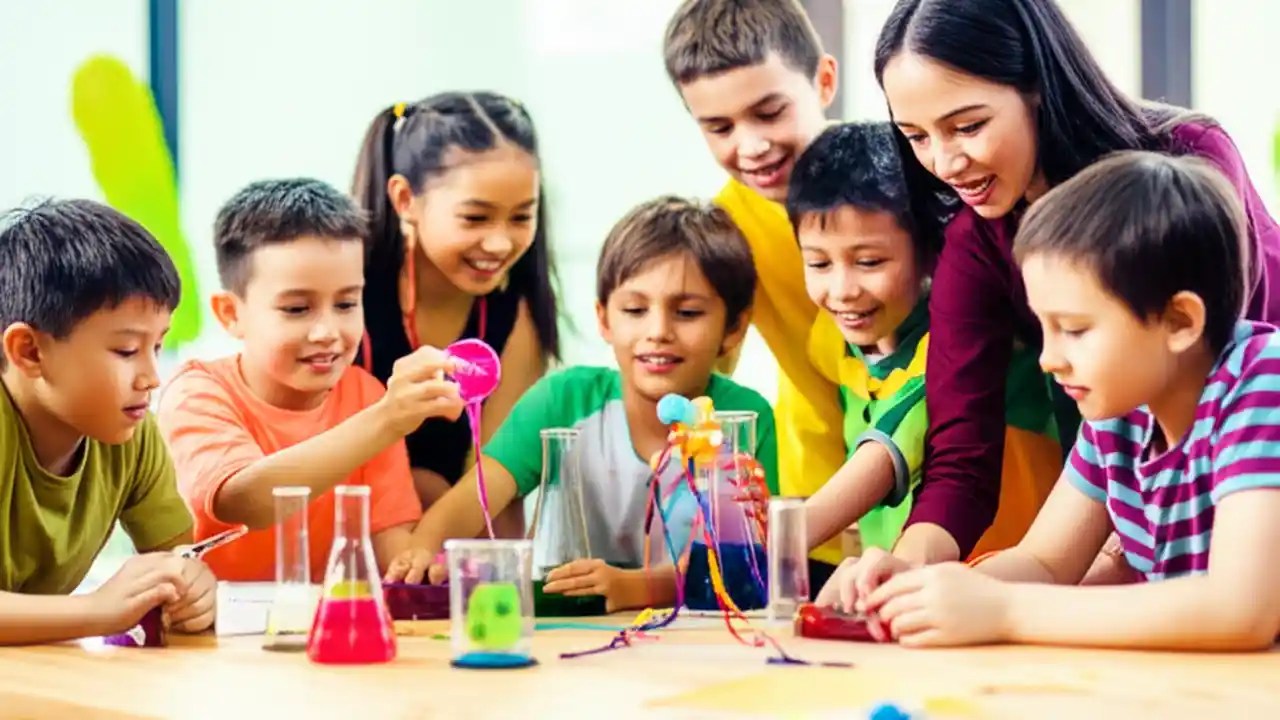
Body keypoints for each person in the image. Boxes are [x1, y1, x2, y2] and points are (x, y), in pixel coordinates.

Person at [833, 0, 1280, 591]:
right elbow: (964, 457)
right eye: (916, 136)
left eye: (967, 126)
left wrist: (1091, 571)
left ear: (1037, 86)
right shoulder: (1114, 419)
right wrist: (908, 572)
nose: (944, 162)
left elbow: (1217, 359)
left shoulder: (1183, 167)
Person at [836, 152, 1280, 651]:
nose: (1049, 359)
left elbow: (1242, 609)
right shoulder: (1124, 409)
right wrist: (917, 589)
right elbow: (1043, 563)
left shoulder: (1263, 379)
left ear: (1180, 322)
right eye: (1043, 328)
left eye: (1073, 329)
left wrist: (1003, 611)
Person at [384, 196, 778, 613]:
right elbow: (476, 496)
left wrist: (634, 588)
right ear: (605, 319)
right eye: (635, 310)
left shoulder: (743, 422)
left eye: (687, 312)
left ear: (733, 327)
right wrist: (423, 548)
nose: (658, 331)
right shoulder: (563, 400)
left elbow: (748, 563)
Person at [157, 179, 464, 581]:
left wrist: (438, 568)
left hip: (314, 627)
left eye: (346, 304)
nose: (327, 331)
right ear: (231, 314)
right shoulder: (198, 393)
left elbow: (392, 549)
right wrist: (388, 419)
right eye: (297, 308)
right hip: (206, 634)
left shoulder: (367, 397)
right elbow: (246, 502)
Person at [787, 122, 1058, 558]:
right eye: (818, 264)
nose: (842, 290)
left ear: (933, 252)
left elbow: (887, 447)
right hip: (909, 577)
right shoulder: (833, 340)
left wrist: (776, 540)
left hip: (1004, 573)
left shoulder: (959, 340)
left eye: (869, 261)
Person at [662, 0, 848, 588]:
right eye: (719, 127)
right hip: (815, 501)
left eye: (770, 112)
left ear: (823, 80)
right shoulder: (729, 228)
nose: (752, 146)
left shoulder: (895, 186)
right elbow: (707, 374)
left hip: (952, 490)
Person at [0, 198, 215, 644]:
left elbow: (179, 559)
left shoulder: (132, 435)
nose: (152, 378)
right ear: (30, 351)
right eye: (125, 351)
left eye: (157, 347)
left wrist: (190, 590)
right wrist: (96, 610)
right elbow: (102, 610)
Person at [352, 92, 561, 533]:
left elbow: (497, 479)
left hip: (449, 544)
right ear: (405, 198)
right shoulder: (349, 296)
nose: (500, 243)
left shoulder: (515, 315)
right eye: (475, 218)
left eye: (522, 217)